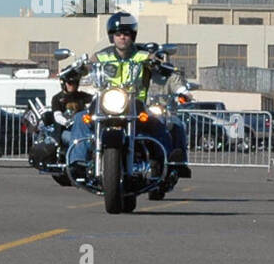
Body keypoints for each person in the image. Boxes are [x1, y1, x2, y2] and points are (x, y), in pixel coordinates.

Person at [65, 11, 189, 176]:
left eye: (126, 34)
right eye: (118, 34)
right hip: (105, 102)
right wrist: (74, 71)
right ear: (112, 36)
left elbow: (167, 72)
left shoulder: (143, 55)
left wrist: (162, 69)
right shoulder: (101, 56)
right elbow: (85, 68)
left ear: (133, 36)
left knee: (159, 122)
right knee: (81, 118)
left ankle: (169, 162)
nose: (122, 37)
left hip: (135, 104)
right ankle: (77, 163)